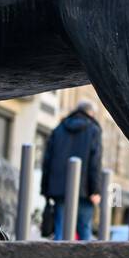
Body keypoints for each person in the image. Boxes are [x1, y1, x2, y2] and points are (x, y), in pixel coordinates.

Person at [41, 100, 103, 240]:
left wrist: (46, 190)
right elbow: (95, 162)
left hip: (60, 190)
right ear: (91, 113)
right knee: (84, 231)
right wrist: (95, 190)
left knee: (60, 231)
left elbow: (47, 161)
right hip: (85, 191)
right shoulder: (94, 130)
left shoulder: (59, 128)